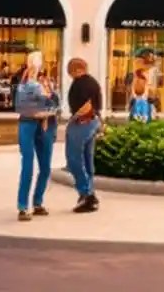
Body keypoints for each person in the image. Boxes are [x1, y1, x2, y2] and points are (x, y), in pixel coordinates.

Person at [14, 51, 58, 222]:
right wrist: (46, 99)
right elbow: (24, 106)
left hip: (45, 124)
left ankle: (37, 201)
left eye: (38, 61)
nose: (36, 65)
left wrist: (49, 96)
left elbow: (55, 104)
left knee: (45, 167)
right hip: (28, 123)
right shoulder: (25, 84)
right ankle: (23, 206)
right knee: (28, 165)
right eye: (34, 62)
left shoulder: (45, 83)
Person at [65, 58, 103, 214]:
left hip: (82, 122)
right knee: (87, 159)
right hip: (93, 122)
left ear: (76, 70)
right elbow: (97, 105)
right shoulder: (94, 82)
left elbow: (86, 106)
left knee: (73, 159)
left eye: (70, 72)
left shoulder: (80, 84)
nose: (70, 75)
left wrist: (73, 119)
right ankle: (89, 192)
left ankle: (87, 194)